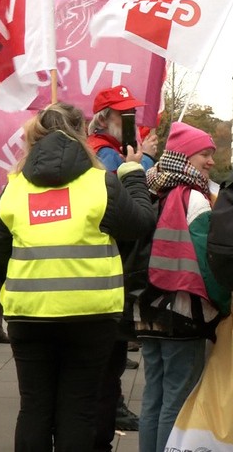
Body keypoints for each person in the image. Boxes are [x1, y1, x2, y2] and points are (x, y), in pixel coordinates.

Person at [0, 102, 156, 452]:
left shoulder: (15, 187)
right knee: (78, 409)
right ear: (83, 133)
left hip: (28, 313)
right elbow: (141, 223)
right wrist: (134, 174)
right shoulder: (101, 184)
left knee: (34, 407)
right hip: (91, 315)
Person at [133, 122, 230, 452]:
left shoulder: (148, 190)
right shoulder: (196, 201)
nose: (211, 162)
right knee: (177, 400)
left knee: (152, 398)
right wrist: (225, 307)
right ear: (187, 157)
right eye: (205, 154)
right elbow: (208, 265)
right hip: (182, 313)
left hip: (145, 310)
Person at [88, 84, 156, 439]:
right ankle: (109, 410)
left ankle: (109, 408)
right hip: (112, 261)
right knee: (109, 352)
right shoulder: (106, 155)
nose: (130, 118)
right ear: (105, 118)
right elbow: (126, 205)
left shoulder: (111, 151)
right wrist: (142, 164)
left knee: (110, 351)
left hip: (111, 263)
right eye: (123, 114)